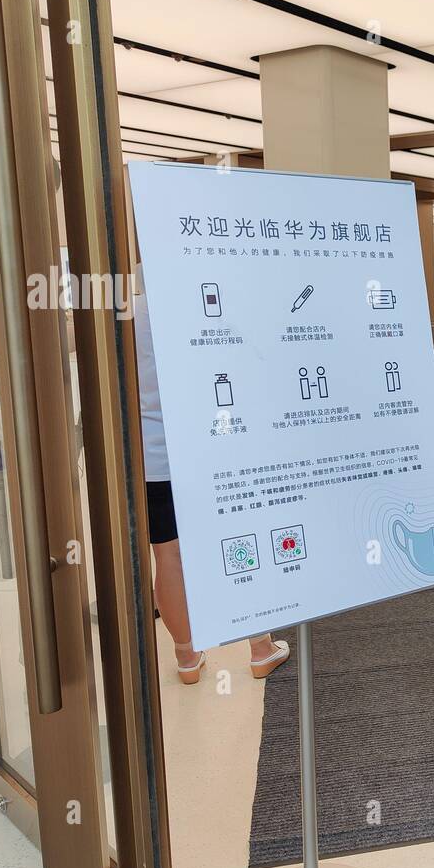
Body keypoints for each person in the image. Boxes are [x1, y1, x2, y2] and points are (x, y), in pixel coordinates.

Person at [133, 292, 289, 683]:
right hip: (215, 452)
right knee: (241, 544)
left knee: (168, 556)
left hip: (153, 458)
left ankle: (187, 660)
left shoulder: (130, 314)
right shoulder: (206, 303)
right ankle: (259, 648)